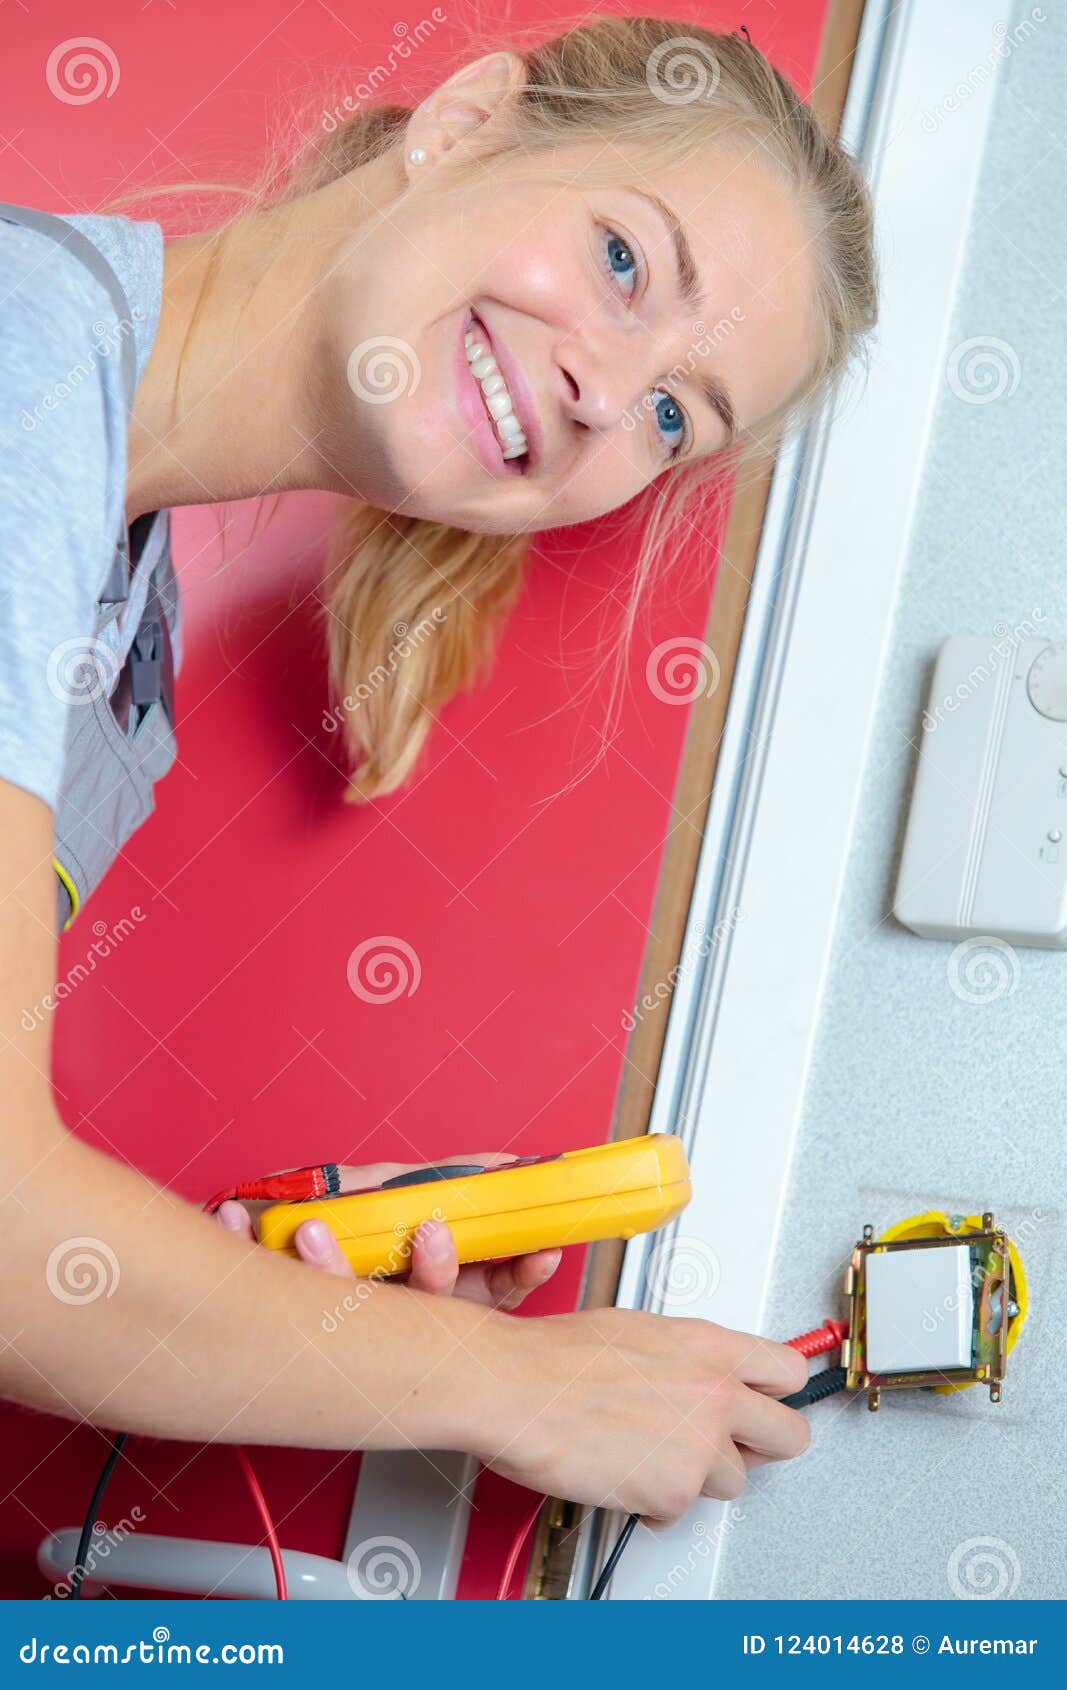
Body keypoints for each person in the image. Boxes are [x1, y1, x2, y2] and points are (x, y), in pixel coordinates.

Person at [0, 19, 876, 1529]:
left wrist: (280, 1286)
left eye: (676, 413)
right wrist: (509, 1383)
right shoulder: (29, 349)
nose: (612, 394)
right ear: (469, 121)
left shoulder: (115, 663)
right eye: (622, 261)